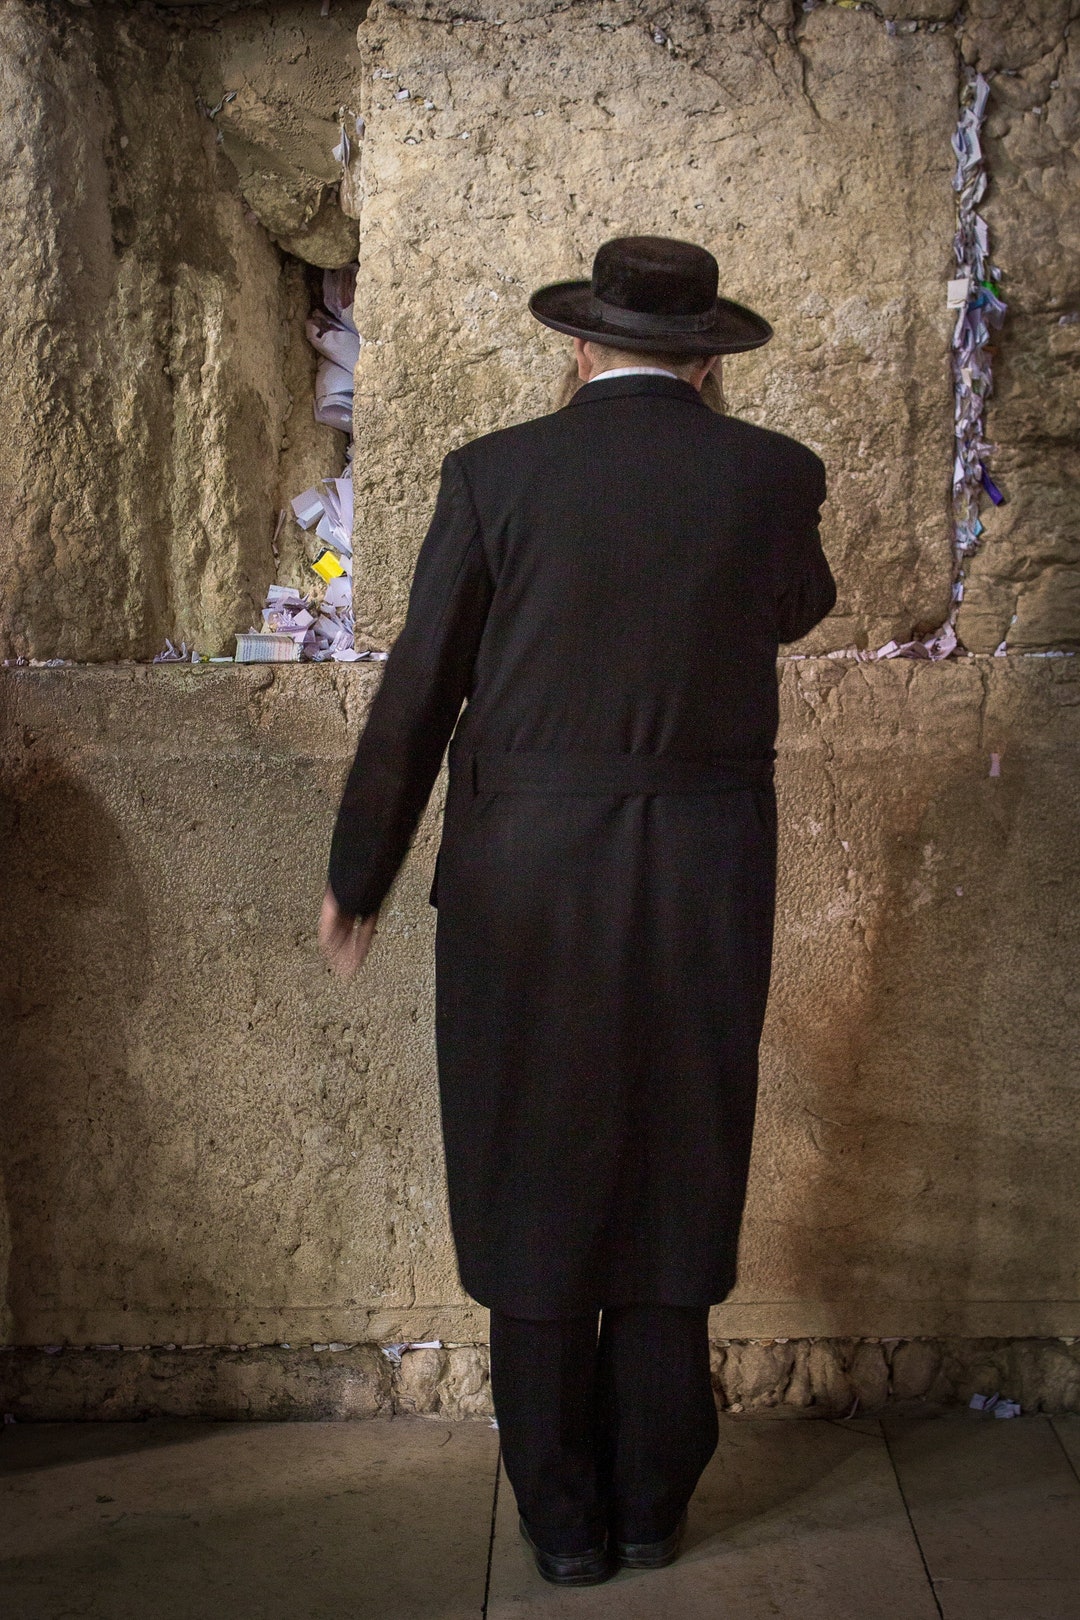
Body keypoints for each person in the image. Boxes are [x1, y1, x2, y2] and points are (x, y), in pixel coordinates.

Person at [319, 235, 836, 1586]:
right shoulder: (776, 475)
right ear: (710, 357)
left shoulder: (495, 474)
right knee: (678, 1156)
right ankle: (656, 1502)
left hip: (521, 881)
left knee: (530, 1165)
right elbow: (795, 607)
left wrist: (358, 871)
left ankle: (561, 1525)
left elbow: (421, 687)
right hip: (704, 875)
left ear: (581, 344)